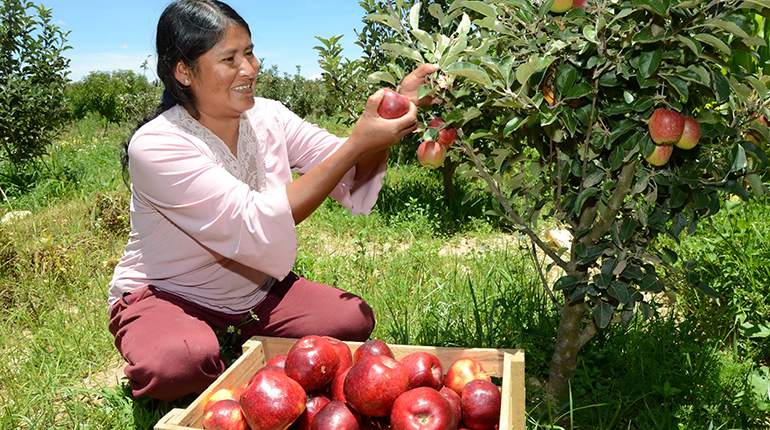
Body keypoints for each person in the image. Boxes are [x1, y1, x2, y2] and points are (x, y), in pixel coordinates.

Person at [106, 0, 438, 403]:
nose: (249, 68)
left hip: (256, 291)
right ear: (184, 71)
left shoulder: (269, 116)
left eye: (249, 52)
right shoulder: (158, 145)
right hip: (168, 293)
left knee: (352, 320)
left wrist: (397, 107)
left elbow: (346, 168)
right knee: (178, 365)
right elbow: (252, 220)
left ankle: (241, 338)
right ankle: (186, 341)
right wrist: (356, 144)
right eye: (229, 58)